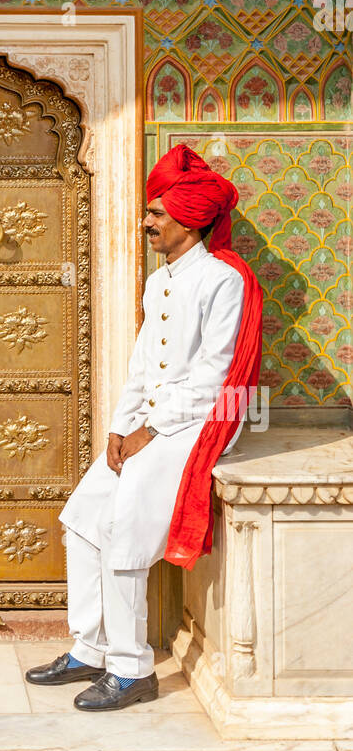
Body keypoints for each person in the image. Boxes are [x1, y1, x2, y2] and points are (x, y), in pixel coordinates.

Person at [26, 144, 263, 710]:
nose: (146, 223)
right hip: (149, 425)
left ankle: (133, 671)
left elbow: (213, 375)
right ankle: (90, 648)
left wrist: (150, 432)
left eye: (156, 213)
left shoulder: (222, 279)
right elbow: (141, 363)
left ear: (190, 217)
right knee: (82, 518)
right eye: (148, 212)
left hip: (196, 423)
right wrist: (118, 427)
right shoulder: (161, 281)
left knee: (126, 531)